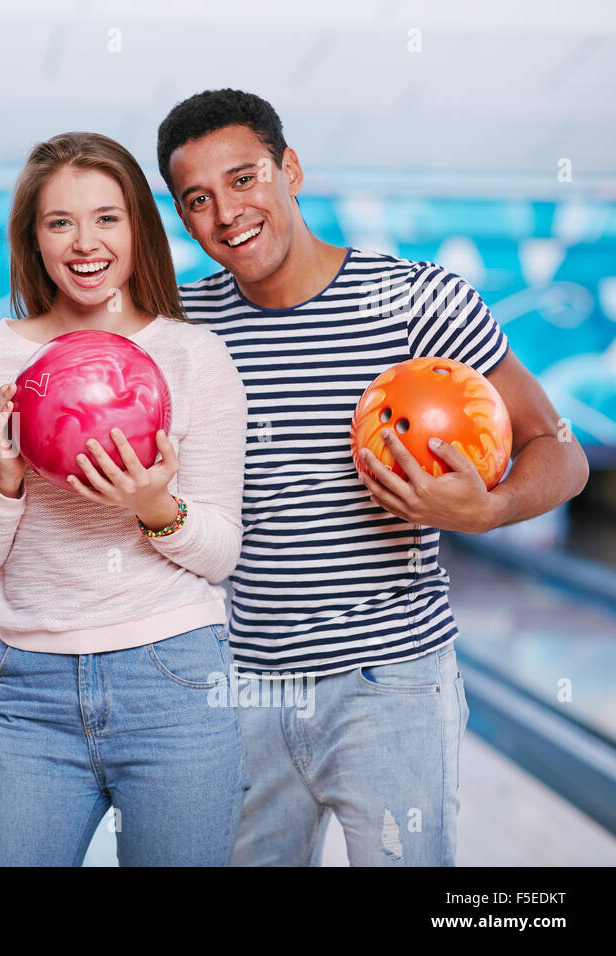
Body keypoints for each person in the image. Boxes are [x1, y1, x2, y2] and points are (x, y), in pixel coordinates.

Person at [158, 88, 590, 866]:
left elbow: (561, 450)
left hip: (391, 683)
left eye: (245, 178)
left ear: (289, 169)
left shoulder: (419, 301)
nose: (227, 212)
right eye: (198, 199)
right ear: (183, 217)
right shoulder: (186, 327)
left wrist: (483, 510)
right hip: (238, 684)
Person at [0, 132, 249, 866]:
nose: (85, 242)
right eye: (60, 222)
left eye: (107, 217)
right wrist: (7, 479)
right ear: (34, 238)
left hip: (176, 682)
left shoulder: (192, 355)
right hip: (30, 689)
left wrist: (157, 507)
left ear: (137, 228)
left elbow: (220, 552)